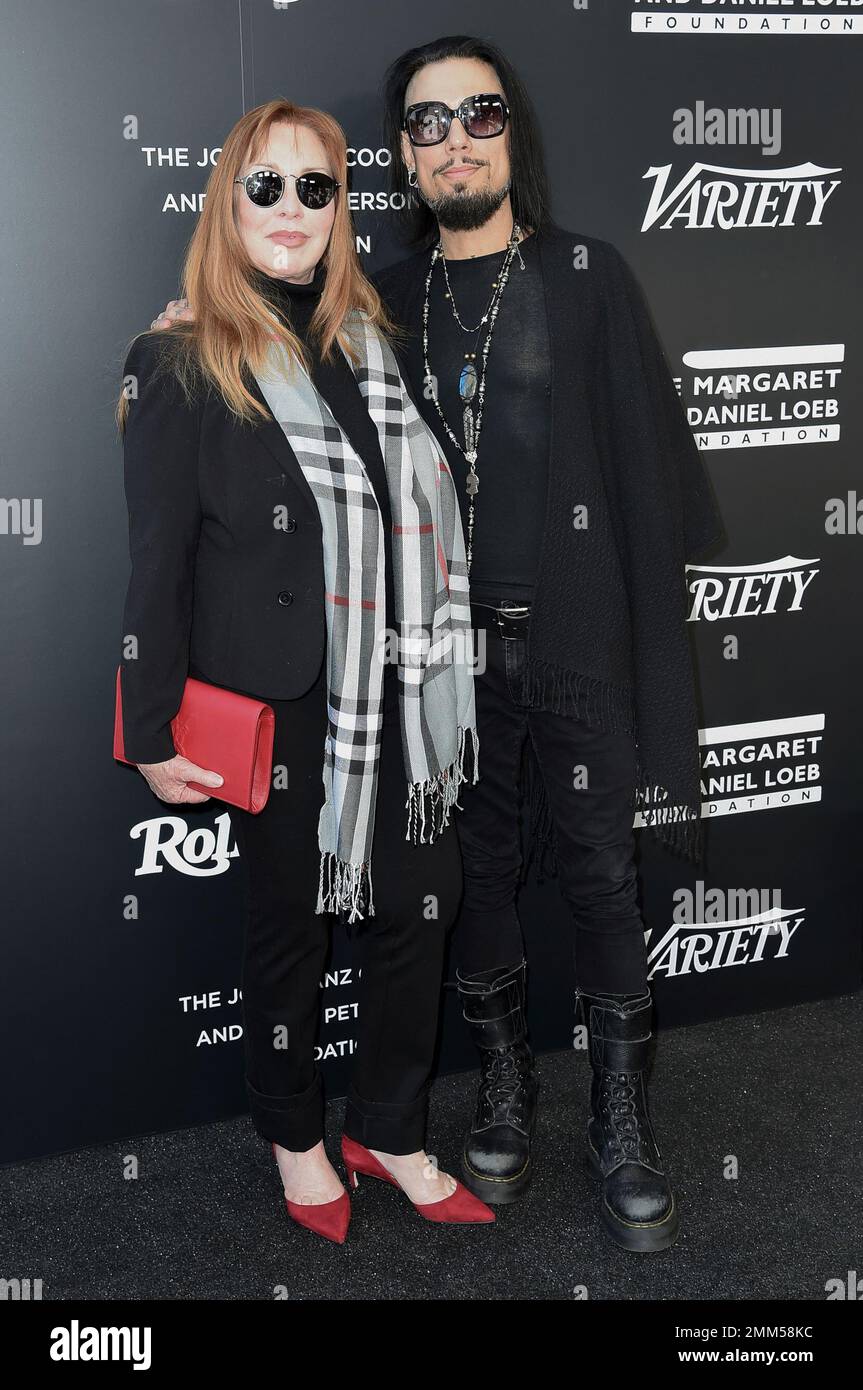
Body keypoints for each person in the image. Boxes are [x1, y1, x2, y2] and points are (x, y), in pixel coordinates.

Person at [151, 40, 724, 1254]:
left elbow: (649, 478)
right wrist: (196, 323)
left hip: (571, 647)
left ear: (510, 131)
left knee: (601, 882)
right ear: (405, 155)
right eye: (426, 122)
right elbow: (264, 374)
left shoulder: (582, 276)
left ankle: (621, 1124)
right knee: (466, 895)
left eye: (476, 113)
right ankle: (502, 1101)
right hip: (438, 676)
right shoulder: (383, 303)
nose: (453, 137)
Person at [117, 97, 494, 1243]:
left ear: (340, 209)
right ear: (228, 204)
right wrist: (148, 731)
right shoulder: (179, 355)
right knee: (292, 924)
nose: (291, 209)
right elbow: (157, 560)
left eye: (315, 187)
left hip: (403, 695)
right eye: (265, 186)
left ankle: (387, 1123)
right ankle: (292, 1133)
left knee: (420, 910)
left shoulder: (369, 345)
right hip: (283, 701)